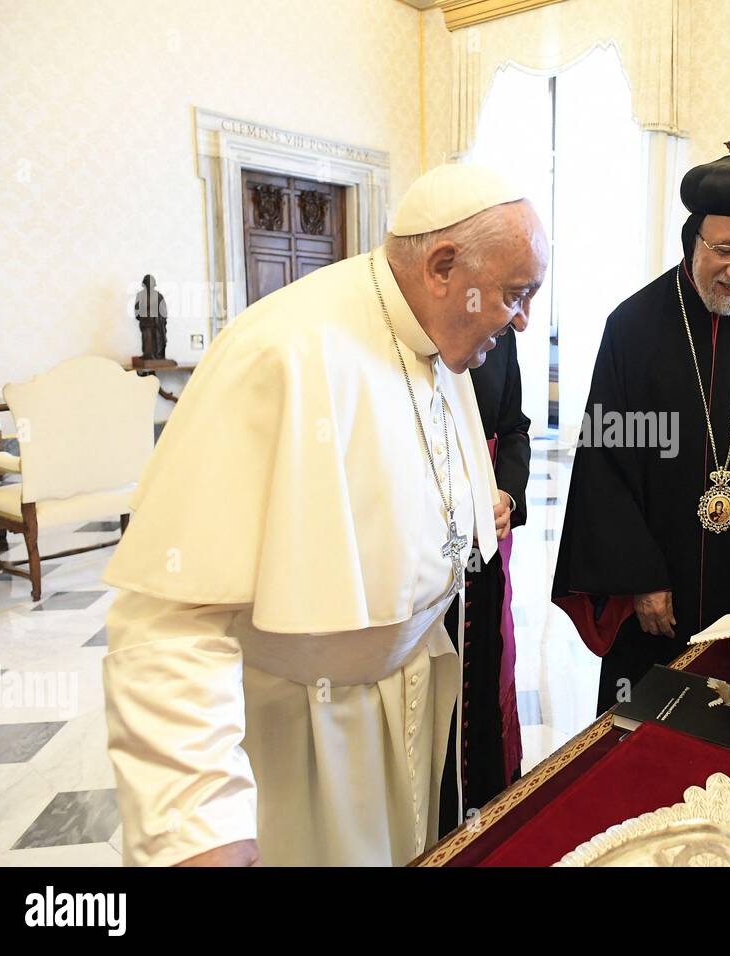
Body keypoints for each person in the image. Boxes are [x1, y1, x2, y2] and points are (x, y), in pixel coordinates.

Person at [101, 163, 549, 866]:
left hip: (409, 707)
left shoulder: (442, 341)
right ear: (442, 268)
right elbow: (165, 621)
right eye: (515, 296)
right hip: (304, 736)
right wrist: (198, 824)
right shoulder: (277, 353)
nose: (522, 320)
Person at [553, 145, 730, 715]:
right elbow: (606, 469)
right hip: (660, 588)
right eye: (725, 249)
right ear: (691, 238)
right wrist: (640, 579)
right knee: (647, 731)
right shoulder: (633, 326)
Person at [439, 329, 529, 834]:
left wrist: (507, 495)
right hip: (422, 558)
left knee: (487, 670)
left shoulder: (499, 333)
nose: (519, 319)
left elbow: (514, 427)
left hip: (488, 547)